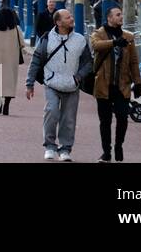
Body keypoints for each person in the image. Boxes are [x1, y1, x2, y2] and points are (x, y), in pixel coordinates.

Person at [25, 9, 92, 161]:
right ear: (58, 22)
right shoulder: (47, 39)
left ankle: (65, 149)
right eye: (68, 17)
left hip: (72, 85)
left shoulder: (80, 39)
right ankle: (49, 145)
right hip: (52, 83)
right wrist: (29, 84)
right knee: (52, 111)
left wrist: (78, 77)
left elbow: (88, 62)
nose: (72, 19)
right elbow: (36, 61)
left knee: (69, 119)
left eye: (71, 16)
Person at [91, 5, 140, 162]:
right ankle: (107, 152)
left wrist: (138, 83)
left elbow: (133, 62)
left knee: (122, 118)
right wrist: (114, 43)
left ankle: (119, 145)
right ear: (109, 18)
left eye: (121, 14)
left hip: (122, 85)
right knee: (105, 121)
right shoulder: (99, 33)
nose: (121, 17)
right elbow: (95, 45)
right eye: (117, 14)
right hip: (103, 85)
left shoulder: (128, 36)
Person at [0, 5, 24, 116]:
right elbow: (22, 44)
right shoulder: (16, 29)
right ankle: (6, 103)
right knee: (9, 83)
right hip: (12, 59)